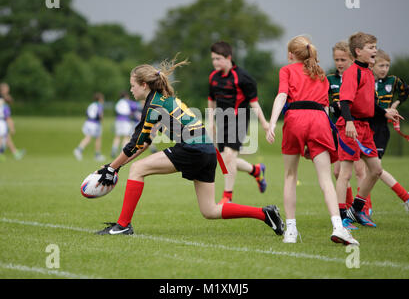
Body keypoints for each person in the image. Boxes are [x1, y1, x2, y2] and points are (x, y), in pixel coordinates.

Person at [94, 55, 285, 236]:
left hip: (193, 148)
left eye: (133, 85)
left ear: (144, 85)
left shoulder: (153, 105)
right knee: (209, 210)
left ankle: (123, 226)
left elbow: (136, 142)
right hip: (207, 149)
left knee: (137, 169)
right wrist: (115, 167)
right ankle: (265, 213)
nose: (131, 89)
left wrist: (111, 167)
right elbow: (144, 142)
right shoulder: (162, 98)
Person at [266, 35, 358, 245]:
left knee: (290, 176)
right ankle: (338, 227)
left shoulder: (286, 70)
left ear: (290, 54)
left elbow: (282, 96)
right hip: (319, 121)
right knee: (325, 179)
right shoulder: (321, 73)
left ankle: (290, 231)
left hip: (296, 119)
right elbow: (325, 108)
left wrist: (272, 123)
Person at [334, 32, 402, 230]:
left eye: (375, 46)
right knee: (345, 174)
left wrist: (385, 113)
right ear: (358, 51)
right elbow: (345, 101)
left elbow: (370, 104)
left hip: (365, 127)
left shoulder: (368, 73)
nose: (375, 50)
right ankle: (340, 219)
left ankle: (356, 209)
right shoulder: (352, 72)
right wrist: (348, 123)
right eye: (371, 47)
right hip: (351, 126)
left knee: (376, 169)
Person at [208, 41, 270, 205]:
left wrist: (264, 123)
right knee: (226, 160)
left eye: (218, 59)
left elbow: (254, 103)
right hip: (222, 121)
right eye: (213, 59)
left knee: (228, 157)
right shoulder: (213, 77)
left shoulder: (243, 78)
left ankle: (227, 196)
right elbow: (211, 101)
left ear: (229, 58)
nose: (215, 62)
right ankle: (256, 170)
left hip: (239, 120)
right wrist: (211, 122)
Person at [367, 49, 409, 212]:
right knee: (365, 170)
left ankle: (405, 196)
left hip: (381, 128)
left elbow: (406, 91)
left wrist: (395, 105)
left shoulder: (393, 81)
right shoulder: (368, 79)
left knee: (374, 168)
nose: (384, 69)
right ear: (372, 66)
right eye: (381, 65)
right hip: (367, 126)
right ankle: (365, 207)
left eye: (387, 65)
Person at [327, 42, 366, 213]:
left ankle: (364, 210)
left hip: (355, 128)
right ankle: (351, 208)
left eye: (343, 59)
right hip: (339, 130)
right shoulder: (330, 79)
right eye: (336, 59)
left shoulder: (358, 76)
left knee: (360, 170)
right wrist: (332, 107)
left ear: (352, 58)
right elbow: (325, 103)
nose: (339, 63)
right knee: (338, 172)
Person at [73, 92, 106, 162]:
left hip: (88, 122)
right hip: (95, 123)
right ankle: (97, 155)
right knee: (97, 138)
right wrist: (101, 120)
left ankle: (79, 149)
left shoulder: (91, 105)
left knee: (88, 137)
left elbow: (87, 113)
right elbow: (100, 115)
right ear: (100, 99)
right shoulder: (99, 105)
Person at [111, 91, 142, 158]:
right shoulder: (128, 102)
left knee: (117, 136)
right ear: (126, 96)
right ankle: (122, 151)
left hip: (118, 120)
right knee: (126, 136)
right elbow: (136, 107)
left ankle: (114, 149)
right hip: (126, 120)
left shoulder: (118, 103)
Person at [0, 83, 25, 160]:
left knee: (5, 137)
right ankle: (8, 153)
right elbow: (10, 101)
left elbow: (10, 100)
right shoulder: (2, 101)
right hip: (1, 121)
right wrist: (12, 127)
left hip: (2, 121)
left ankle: (14, 153)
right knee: (3, 138)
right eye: (6, 89)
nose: (8, 90)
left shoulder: (4, 100)